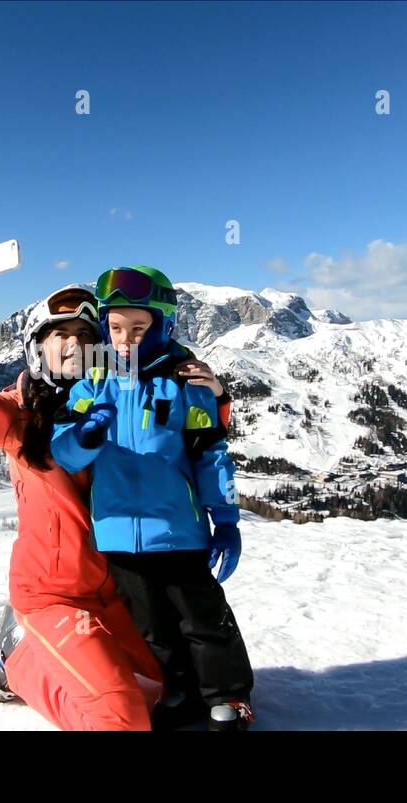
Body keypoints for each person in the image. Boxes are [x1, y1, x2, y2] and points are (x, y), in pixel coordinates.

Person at [0, 249, 167, 729]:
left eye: (85, 335)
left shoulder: (119, 404)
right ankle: (17, 663)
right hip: (51, 596)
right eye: (61, 335)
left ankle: (39, 660)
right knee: (123, 717)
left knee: (168, 690)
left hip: (111, 592)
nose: (75, 345)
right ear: (38, 346)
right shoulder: (18, 415)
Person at [51, 265, 255, 731]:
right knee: (153, 627)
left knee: (202, 618)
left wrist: (225, 519)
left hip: (178, 529)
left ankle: (229, 696)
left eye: (139, 328)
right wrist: (86, 432)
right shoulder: (90, 384)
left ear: (163, 326)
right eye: (116, 328)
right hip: (118, 533)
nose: (126, 339)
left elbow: (211, 455)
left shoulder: (186, 384)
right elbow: (65, 453)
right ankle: (179, 688)